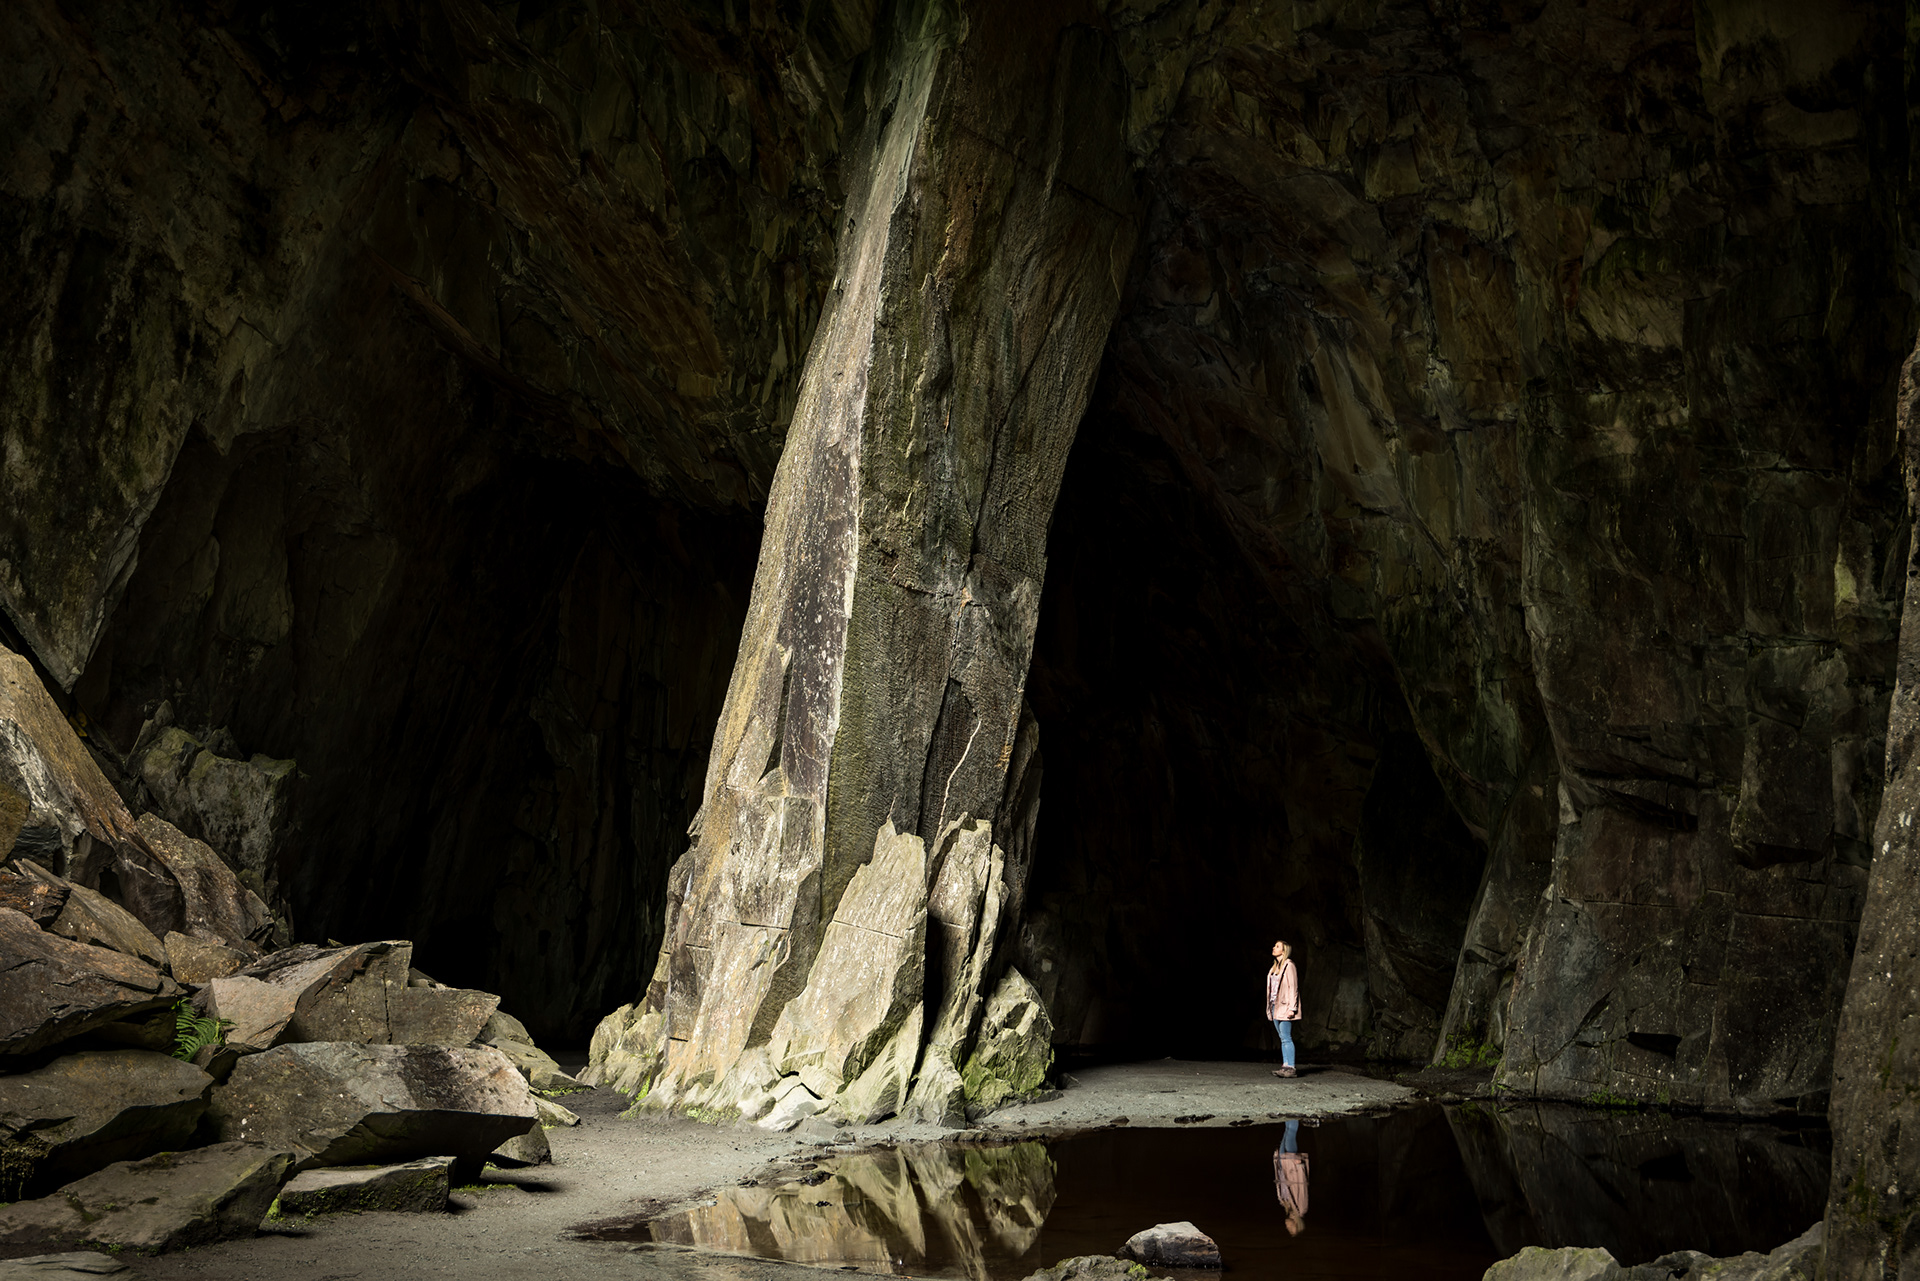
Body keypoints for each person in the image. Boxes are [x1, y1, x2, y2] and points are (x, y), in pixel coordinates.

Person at [1267, 939, 1300, 1077]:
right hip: (1275, 1006)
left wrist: (1292, 1008)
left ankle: (1291, 1067)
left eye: (1277, 946)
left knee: (1286, 1037)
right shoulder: (1274, 968)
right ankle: (1285, 1066)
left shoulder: (1289, 965)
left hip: (1285, 1006)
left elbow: (1293, 987)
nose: (1274, 948)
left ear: (1284, 950)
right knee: (1282, 1037)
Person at [1273, 1118, 1309, 1236]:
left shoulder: (1285, 1204)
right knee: (1291, 1134)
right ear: (1297, 1224)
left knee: (1286, 1133)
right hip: (1293, 1168)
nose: (1287, 1226)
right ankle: (1293, 1115)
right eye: (1290, 1228)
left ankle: (1288, 1116)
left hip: (1283, 1167)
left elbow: (1281, 1183)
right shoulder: (1301, 1208)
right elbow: (1302, 1187)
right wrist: (1300, 1167)